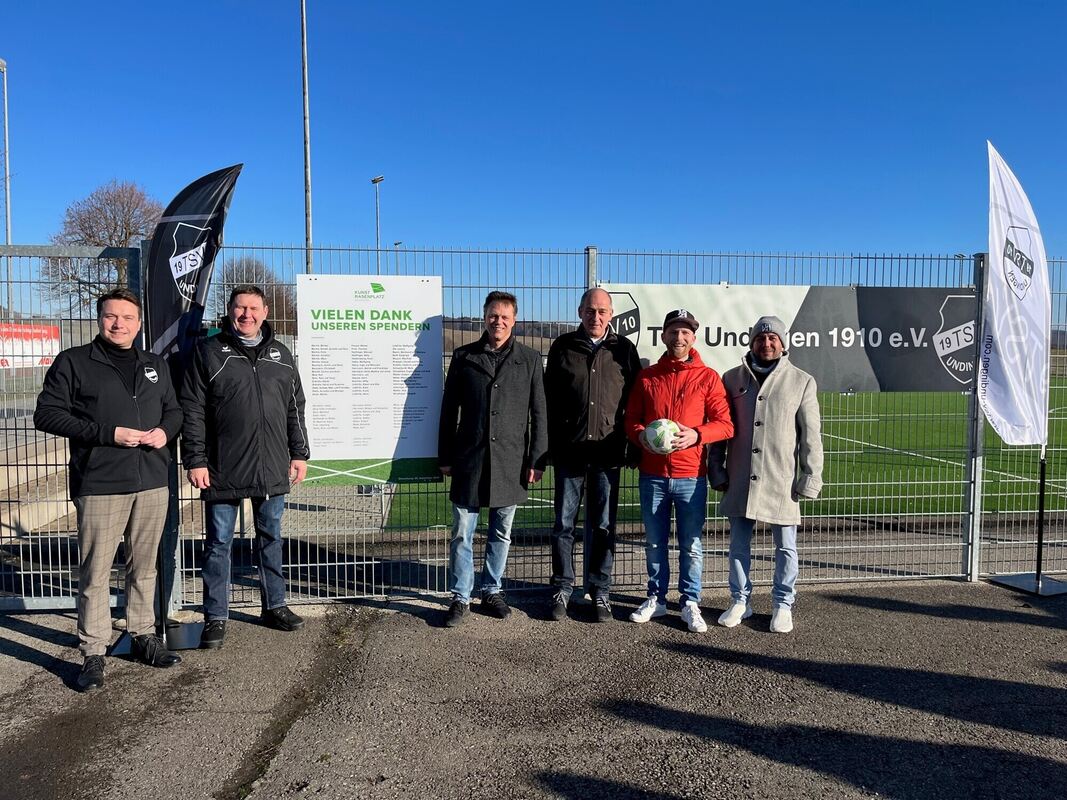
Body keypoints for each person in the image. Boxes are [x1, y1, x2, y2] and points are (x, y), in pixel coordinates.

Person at [34, 288, 184, 691]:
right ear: (100, 319)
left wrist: (164, 432)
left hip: (152, 480)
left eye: (126, 317)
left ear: (138, 324)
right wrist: (107, 433)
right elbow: (46, 414)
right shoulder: (75, 362)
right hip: (100, 482)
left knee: (144, 565)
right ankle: (94, 651)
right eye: (110, 316)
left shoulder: (154, 364)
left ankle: (142, 635)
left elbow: (174, 409)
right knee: (96, 571)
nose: (118, 324)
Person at [181, 285, 310, 649]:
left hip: (272, 467)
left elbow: (294, 407)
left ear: (265, 312)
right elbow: (192, 410)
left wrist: (299, 454)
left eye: (253, 308)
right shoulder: (208, 353)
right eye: (240, 308)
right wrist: (196, 459)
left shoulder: (280, 355)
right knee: (219, 543)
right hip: (222, 468)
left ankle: (275, 606)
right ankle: (216, 616)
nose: (246, 315)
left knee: (270, 538)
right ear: (230, 311)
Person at [438, 290, 547, 627]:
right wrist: (446, 455)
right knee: (462, 533)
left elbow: (539, 413)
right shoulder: (464, 356)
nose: (498, 321)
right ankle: (460, 595)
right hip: (469, 460)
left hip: (510, 461)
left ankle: (492, 589)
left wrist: (537, 459)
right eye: (493, 315)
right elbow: (448, 411)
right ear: (484, 316)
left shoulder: (529, 359)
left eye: (505, 317)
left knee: (501, 533)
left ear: (514, 321)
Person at [708, 315, 823, 634]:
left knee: (786, 546)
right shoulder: (731, 379)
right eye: (761, 338)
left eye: (773, 338)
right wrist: (715, 469)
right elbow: (720, 430)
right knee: (738, 545)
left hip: (781, 478)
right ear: (751, 342)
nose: (767, 342)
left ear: (783, 343)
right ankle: (739, 601)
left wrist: (810, 476)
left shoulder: (802, 381)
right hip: (740, 477)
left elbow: (811, 435)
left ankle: (782, 604)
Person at [624, 309, 733, 632]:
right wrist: (642, 434)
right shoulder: (648, 376)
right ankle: (656, 599)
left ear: (693, 338)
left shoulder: (707, 377)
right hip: (653, 474)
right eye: (674, 331)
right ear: (664, 335)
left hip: (691, 476)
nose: (679, 337)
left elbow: (725, 424)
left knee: (691, 544)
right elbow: (631, 420)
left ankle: (689, 602)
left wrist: (698, 434)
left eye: (686, 332)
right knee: (655, 543)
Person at [544, 287, 641, 622]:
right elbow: (548, 400)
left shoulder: (625, 350)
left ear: (611, 314)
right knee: (563, 524)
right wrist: (549, 446)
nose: (595, 317)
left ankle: (600, 591)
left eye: (602, 311)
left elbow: (634, 403)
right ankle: (562, 588)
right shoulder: (562, 347)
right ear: (579, 312)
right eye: (589, 310)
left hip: (607, 453)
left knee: (602, 524)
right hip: (570, 452)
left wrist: (631, 446)